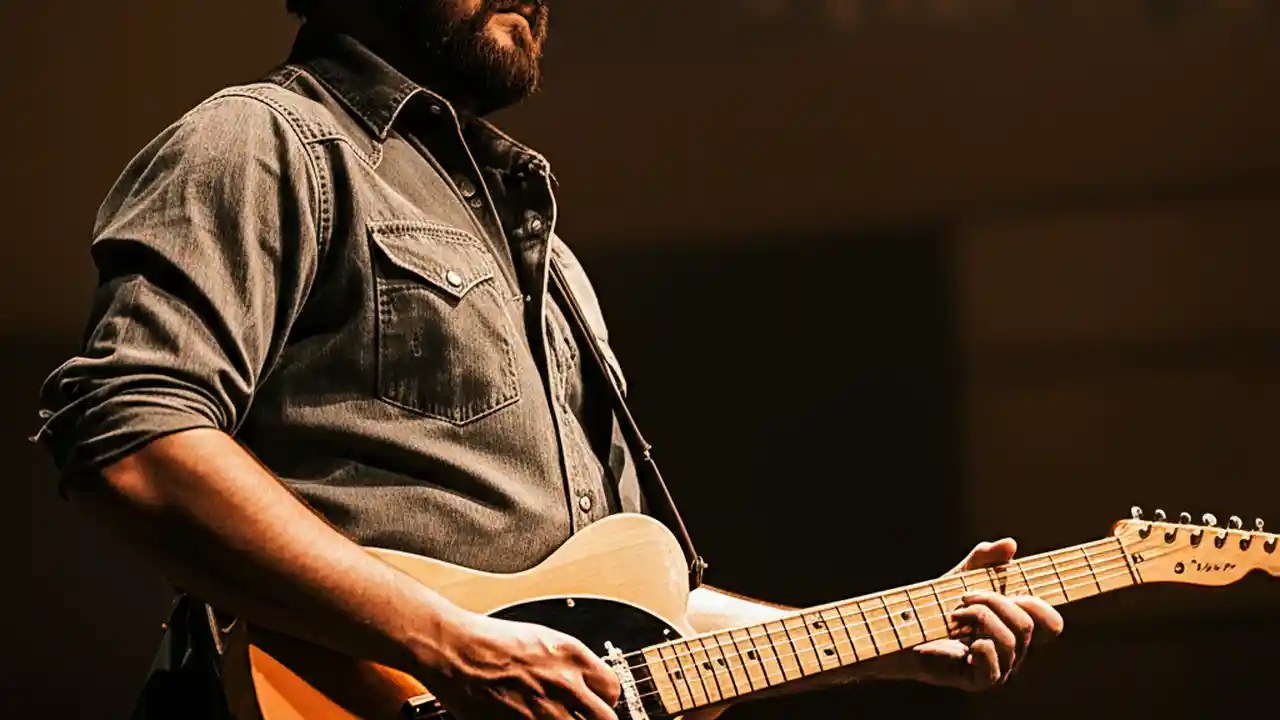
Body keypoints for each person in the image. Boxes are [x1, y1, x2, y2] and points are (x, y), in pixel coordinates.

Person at [34, 2, 1063, 718]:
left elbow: (626, 621)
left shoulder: (547, 260)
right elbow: (133, 439)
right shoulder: (258, 142)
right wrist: (457, 649)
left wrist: (886, 635)